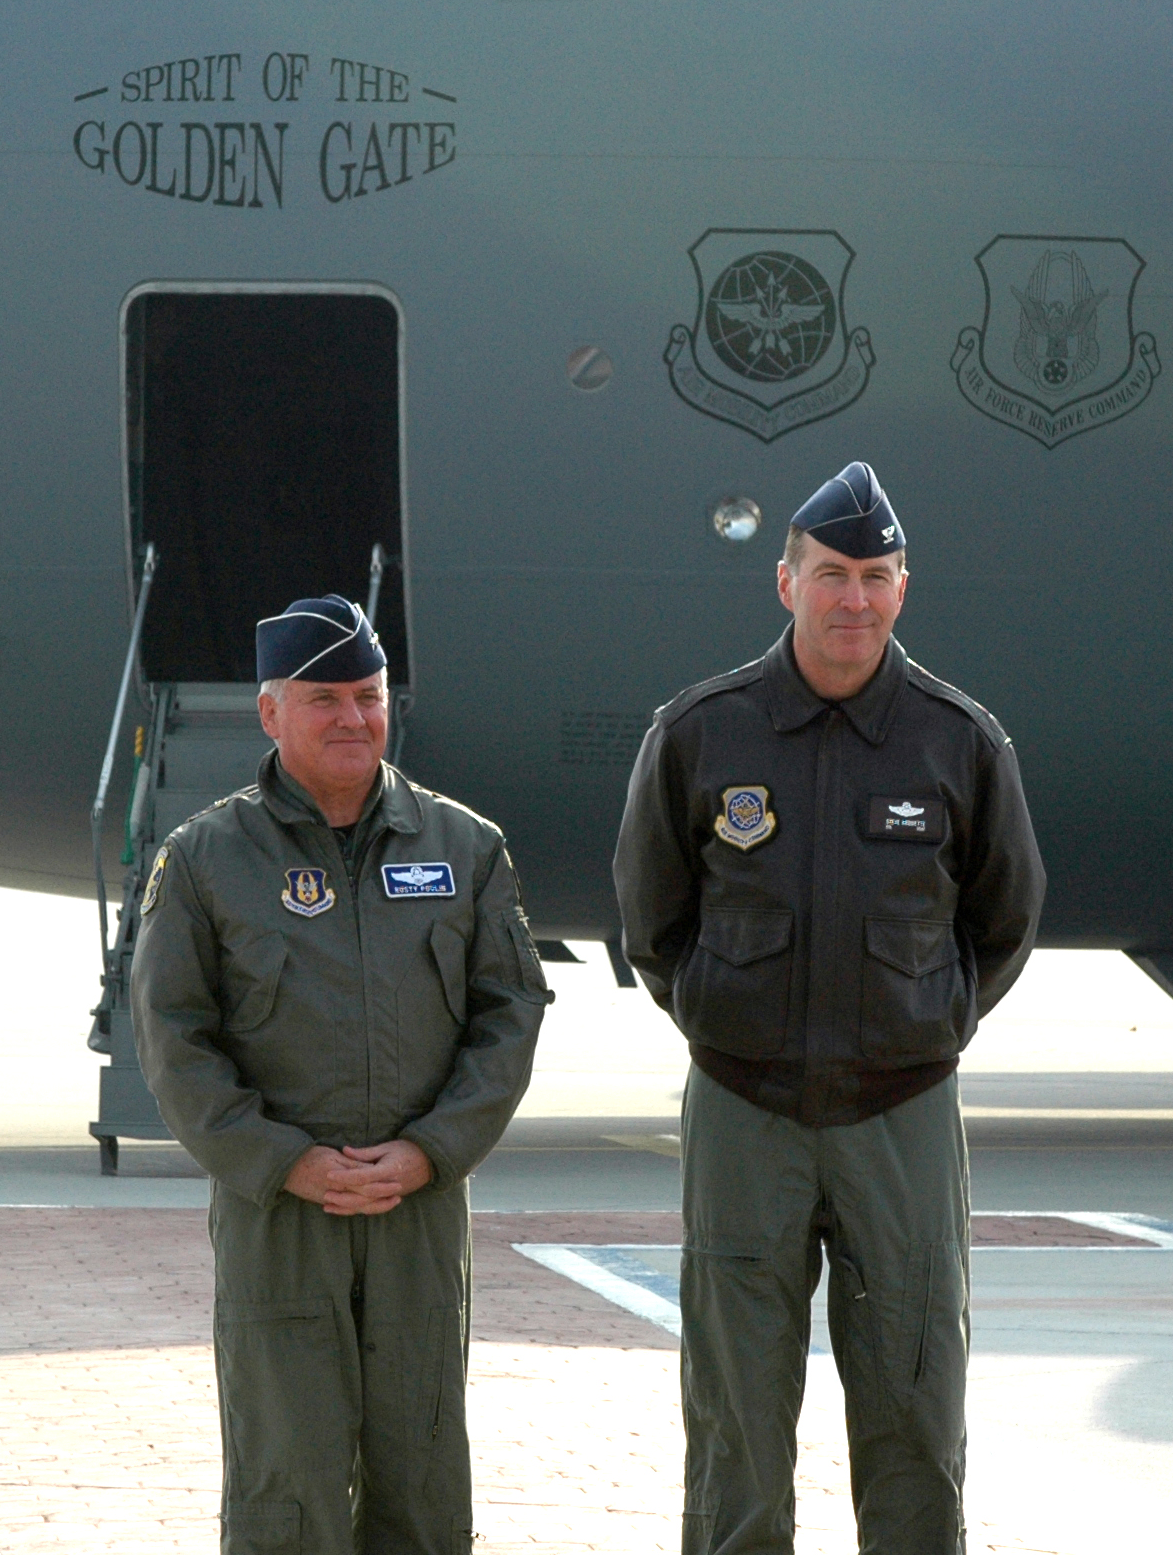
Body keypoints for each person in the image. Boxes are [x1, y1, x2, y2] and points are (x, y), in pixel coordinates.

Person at [614, 461, 1047, 1555]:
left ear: (901, 588)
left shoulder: (957, 741)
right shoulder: (701, 732)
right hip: (742, 1109)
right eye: (829, 574)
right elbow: (653, 921)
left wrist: (929, 1021)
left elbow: (1003, 918)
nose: (850, 597)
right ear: (784, 581)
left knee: (912, 1405)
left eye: (874, 575)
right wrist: (724, 1013)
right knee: (734, 1419)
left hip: (897, 1116)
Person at [131, 594, 552, 1555]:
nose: (354, 719)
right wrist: (283, 1162)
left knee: (424, 1475)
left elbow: (510, 1017)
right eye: (325, 699)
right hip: (280, 1214)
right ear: (270, 712)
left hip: (418, 1207)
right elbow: (174, 1039)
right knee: (289, 1477)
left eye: (370, 695)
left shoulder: (464, 848)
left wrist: (430, 1151)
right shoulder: (204, 860)